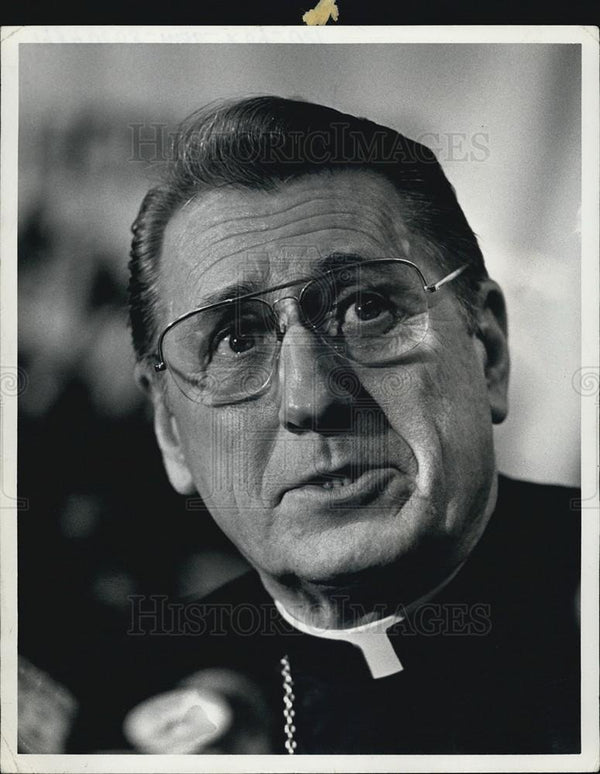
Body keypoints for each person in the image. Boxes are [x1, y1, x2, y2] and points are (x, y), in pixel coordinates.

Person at [72, 96, 580, 755]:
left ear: (486, 349)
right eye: (234, 341)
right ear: (170, 427)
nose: (310, 399)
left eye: (366, 308)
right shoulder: (126, 706)